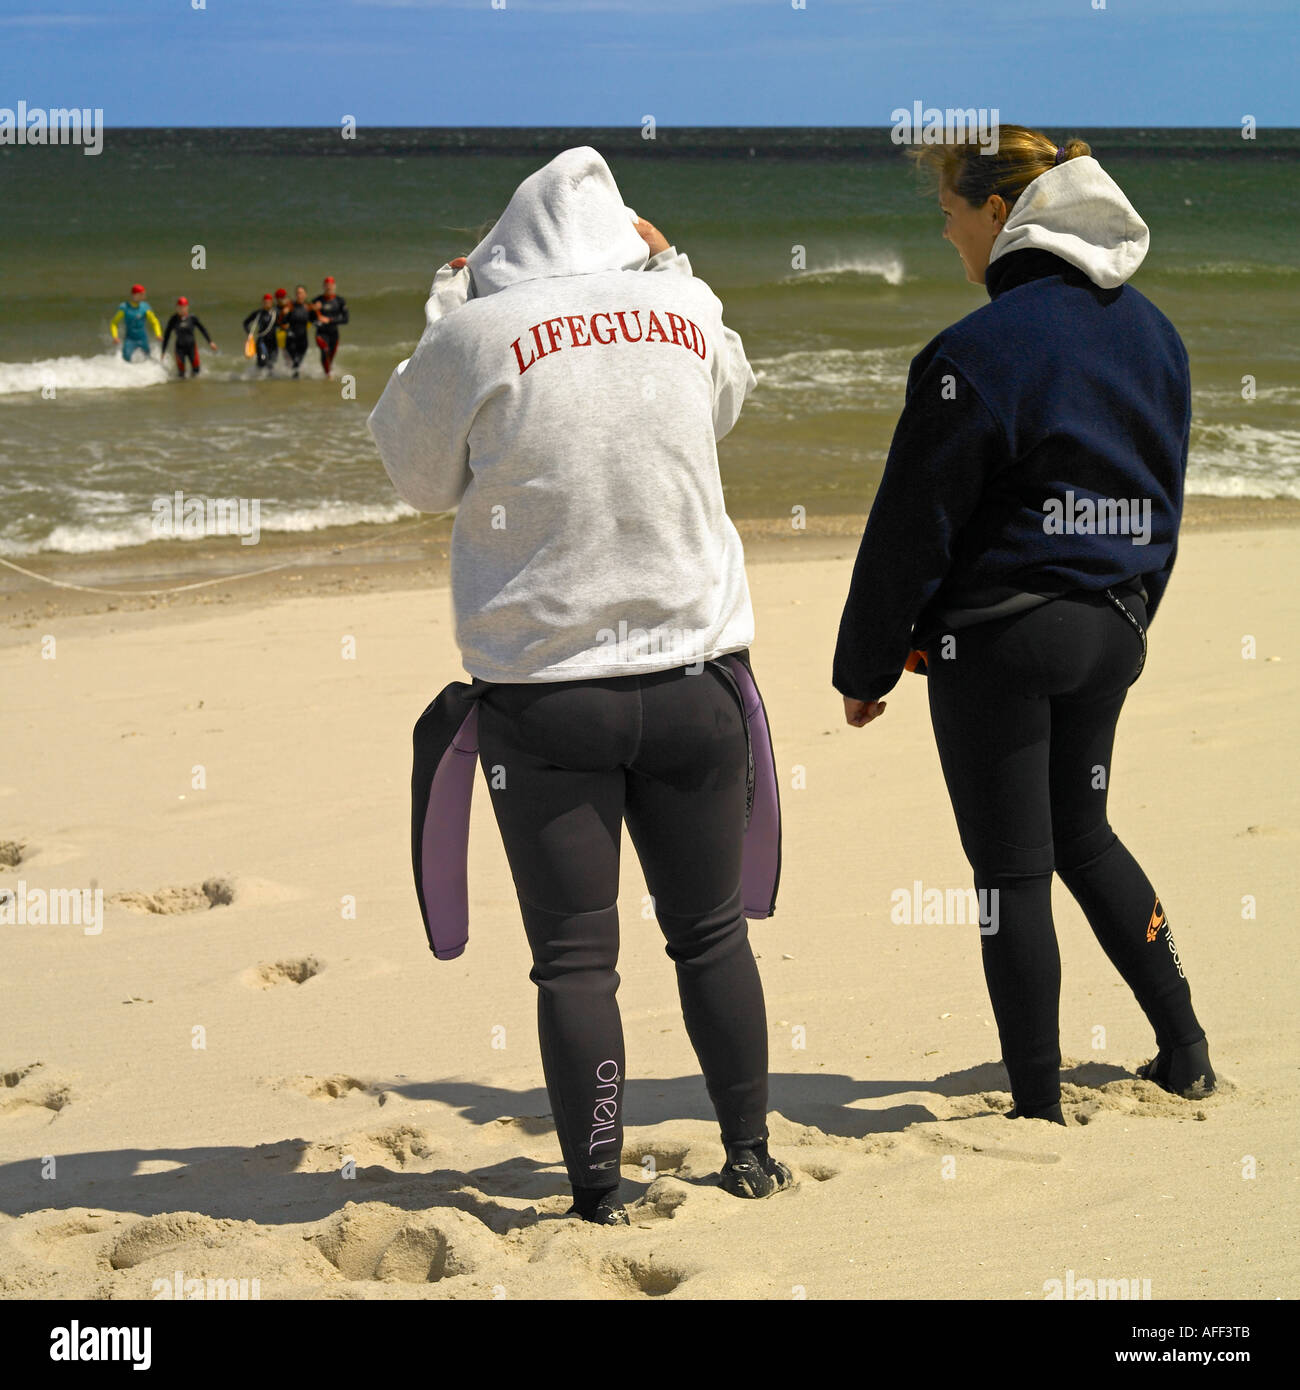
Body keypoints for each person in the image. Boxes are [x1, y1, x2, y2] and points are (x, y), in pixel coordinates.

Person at [369, 146, 792, 1224]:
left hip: (549, 698)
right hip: (697, 683)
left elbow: (416, 473)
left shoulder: (480, 329)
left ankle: (598, 1190)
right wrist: (670, 270)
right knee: (709, 936)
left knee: (573, 962)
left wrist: (446, 309)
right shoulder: (686, 308)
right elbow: (725, 401)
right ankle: (749, 1153)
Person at [832, 127, 1214, 1124]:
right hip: (1110, 628)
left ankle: (1038, 1105)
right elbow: (1156, 505)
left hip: (1000, 643)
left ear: (999, 215)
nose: (947, 232)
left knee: (1010, 871)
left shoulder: (971, 351)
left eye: (951, 211)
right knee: (1081, 835)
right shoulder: (1155, 335)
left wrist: (868, 663)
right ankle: (1185, 1047)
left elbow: (913, 527)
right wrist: (1132, 615)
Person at [161, 296, 217, 378]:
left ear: (187, 307)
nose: (182, 310)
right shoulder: (173, 319)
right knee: (181, 374)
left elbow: (202, 329)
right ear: (176, 308)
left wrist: (210, 342)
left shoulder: (192, 318)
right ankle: (182, 389)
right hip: (179, 348)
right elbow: (167, 335)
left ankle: (194, 388)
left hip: (191, 347)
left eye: (184, 307)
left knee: (196, 371)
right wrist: (163, 351)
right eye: (180, 308)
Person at [110, 284, 161, 362]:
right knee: (126, 359)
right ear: (134, 295)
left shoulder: (145, 307)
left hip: (143, 339)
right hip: (130, 340)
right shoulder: (124, 308)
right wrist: (115, 337)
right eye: (141, 294)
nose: (144, 296)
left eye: (143, 294)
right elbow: (114, 323)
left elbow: (154, 321)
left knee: (148, 360)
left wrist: (158, 334)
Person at [311, 275, 348, 376]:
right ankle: (328, 376)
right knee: (324, 350)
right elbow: (310, 319)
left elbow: (345, 319)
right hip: (321, 333)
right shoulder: (317, 300)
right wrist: (314, 311)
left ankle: (327, 374)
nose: (329, 287)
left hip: (334, 333)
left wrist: (330, 320)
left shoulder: (340, 301)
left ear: (334, 286)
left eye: (331, 285)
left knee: (330, 357)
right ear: (323, 286)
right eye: (327, 285)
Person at [281, 285, 316, 378]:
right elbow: (281, 322)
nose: (299, 295)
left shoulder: (308, 307)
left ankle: (295, 382)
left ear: (305, 295)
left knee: (297, 363)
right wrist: (284, 313)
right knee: (295, 362)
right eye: (297, 293)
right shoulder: (290, 306)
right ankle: (294, 380)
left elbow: (315, 320)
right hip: (290, 340)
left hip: (303, 341)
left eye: (301, 293)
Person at [242, 293, 279, 370]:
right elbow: (245, 323)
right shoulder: (258, 313)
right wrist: (249, 334)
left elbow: (284, 322)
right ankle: (257, 377)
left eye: (268, 302)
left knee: (271, 363)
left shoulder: (276, 313)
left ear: (272, 302)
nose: (267, 304)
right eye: (265, 302)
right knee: (262, 361)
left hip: (273, 341)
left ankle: (268, 380)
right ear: (262, 302)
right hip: (262, 341)